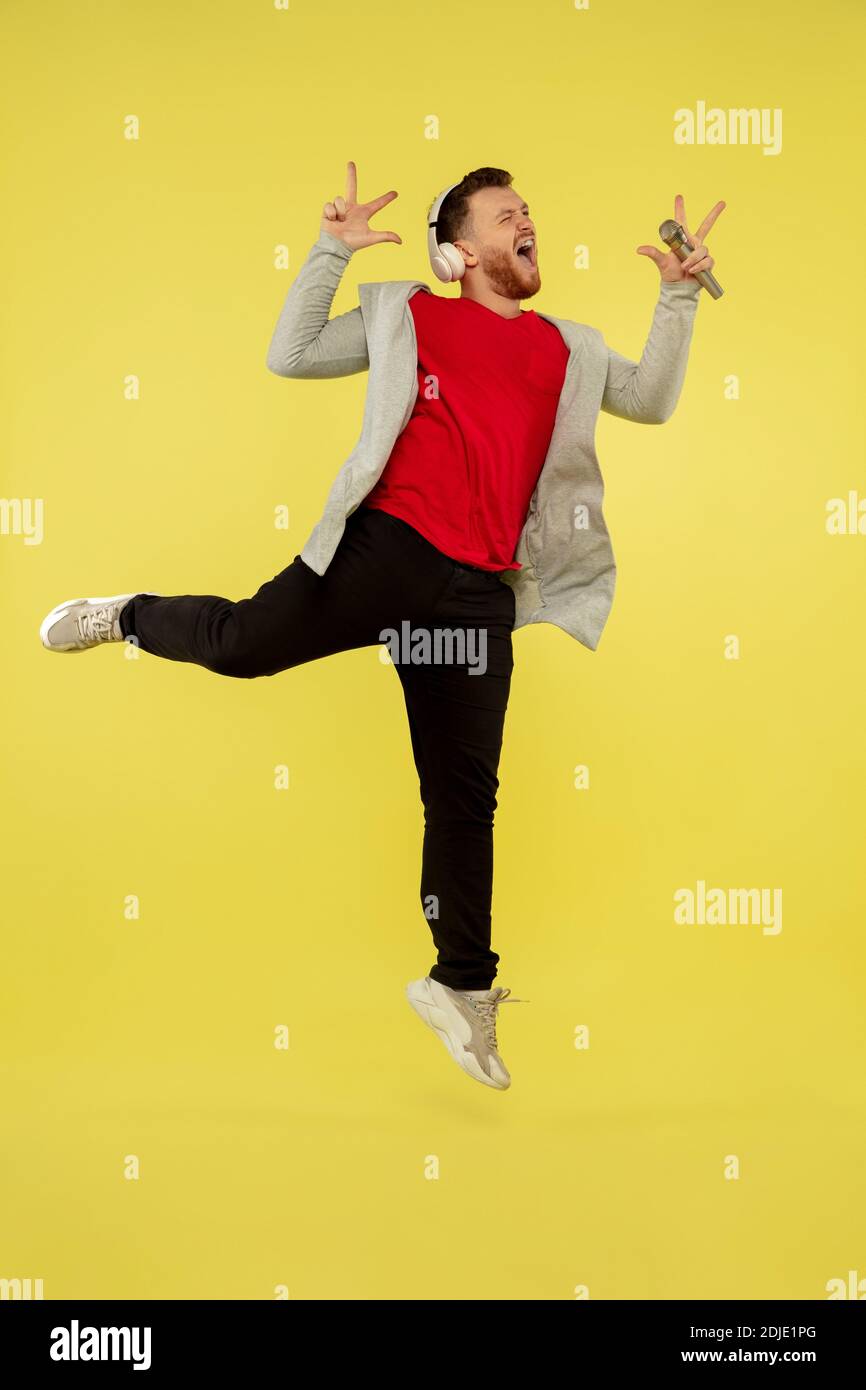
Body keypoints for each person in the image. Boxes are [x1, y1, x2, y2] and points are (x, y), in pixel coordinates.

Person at [39, 162, 723, 1091]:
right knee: (242, 647)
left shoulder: (569, 346)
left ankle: (462, 988)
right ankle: (126, 615)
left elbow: (651, 400)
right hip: (386, 554)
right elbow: (291, 353)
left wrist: (677, 301)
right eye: (506, 215)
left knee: (464, 799)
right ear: (459, 250)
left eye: (530, 213)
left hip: (480, 596)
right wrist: (328, 251)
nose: (528, 224)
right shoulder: (413, 315)